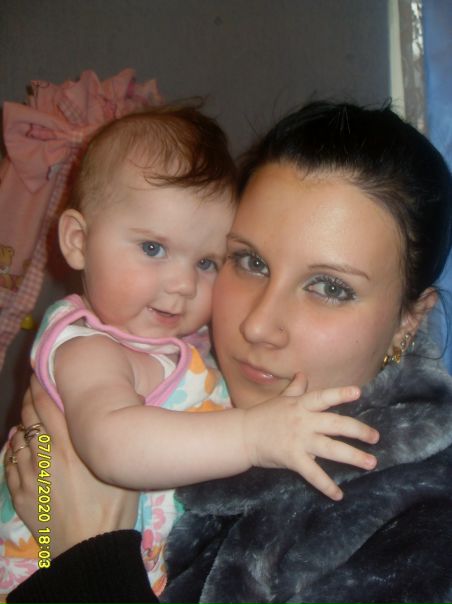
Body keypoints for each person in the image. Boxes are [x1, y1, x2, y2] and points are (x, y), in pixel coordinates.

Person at [5, 99, 452, 604]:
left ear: (408, 321)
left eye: (330, 287)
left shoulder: (425, 532)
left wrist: (87, 554)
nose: (257, 326)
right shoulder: (161, 367)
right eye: (249, 261)